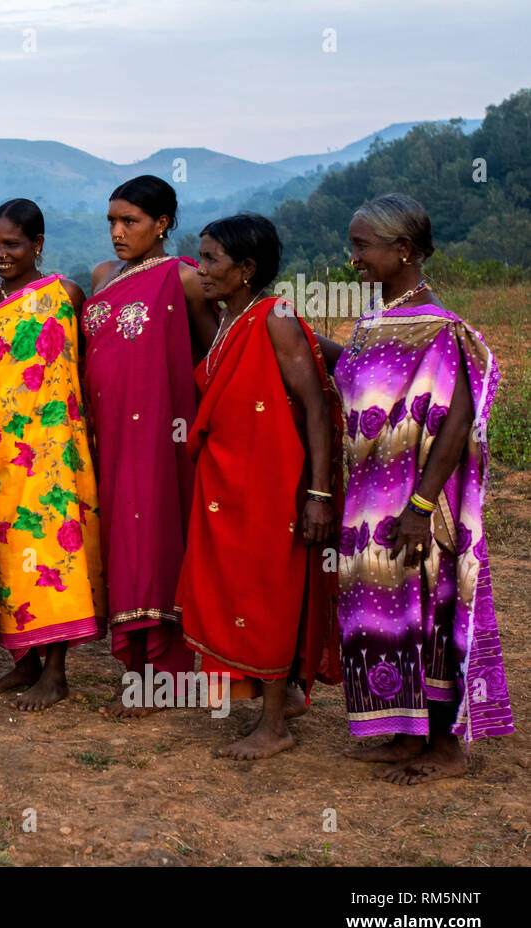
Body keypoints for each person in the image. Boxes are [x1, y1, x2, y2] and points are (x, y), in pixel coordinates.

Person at [334, 194, 513, 783]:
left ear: (403, 249)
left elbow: (457, 423)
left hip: (414, 504)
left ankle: (445, 749)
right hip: (368, 500)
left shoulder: (441, 329)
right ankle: (406, 737)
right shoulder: (374, 322)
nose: (354, 257)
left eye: (363, 245)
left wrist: (418, 507)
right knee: (387, 613)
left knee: (428, 610)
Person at [176, 214, 342, 759]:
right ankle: (280, 697)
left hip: (272, 484)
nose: (201, 269)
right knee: (235, 588)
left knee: (270, 590)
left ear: (246, 269)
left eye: (210, 259)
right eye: (200, 257)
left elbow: (316, 406)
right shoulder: (228, 318)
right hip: (227, 480)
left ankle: (274, 726)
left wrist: (319, 494)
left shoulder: (274, 317)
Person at [80, 175, 218, 716]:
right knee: (118, 539)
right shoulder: (101, 276)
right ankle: (135, 669)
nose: (117, 232)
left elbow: (215, 348)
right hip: (106, 433)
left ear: (162, 224)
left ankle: (164, 678)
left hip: (159, 435)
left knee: (152, 542)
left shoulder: (182, 279)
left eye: (130, 221)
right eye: (112, 221)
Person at [0, 199, 105, 711]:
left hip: (53, 452)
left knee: (54, 550)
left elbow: (84, 366)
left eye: (12, 244)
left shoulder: (66, 295)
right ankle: (24, 660)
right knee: (8, 553)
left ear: (38, 246)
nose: (0, 253)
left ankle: (56, 671)